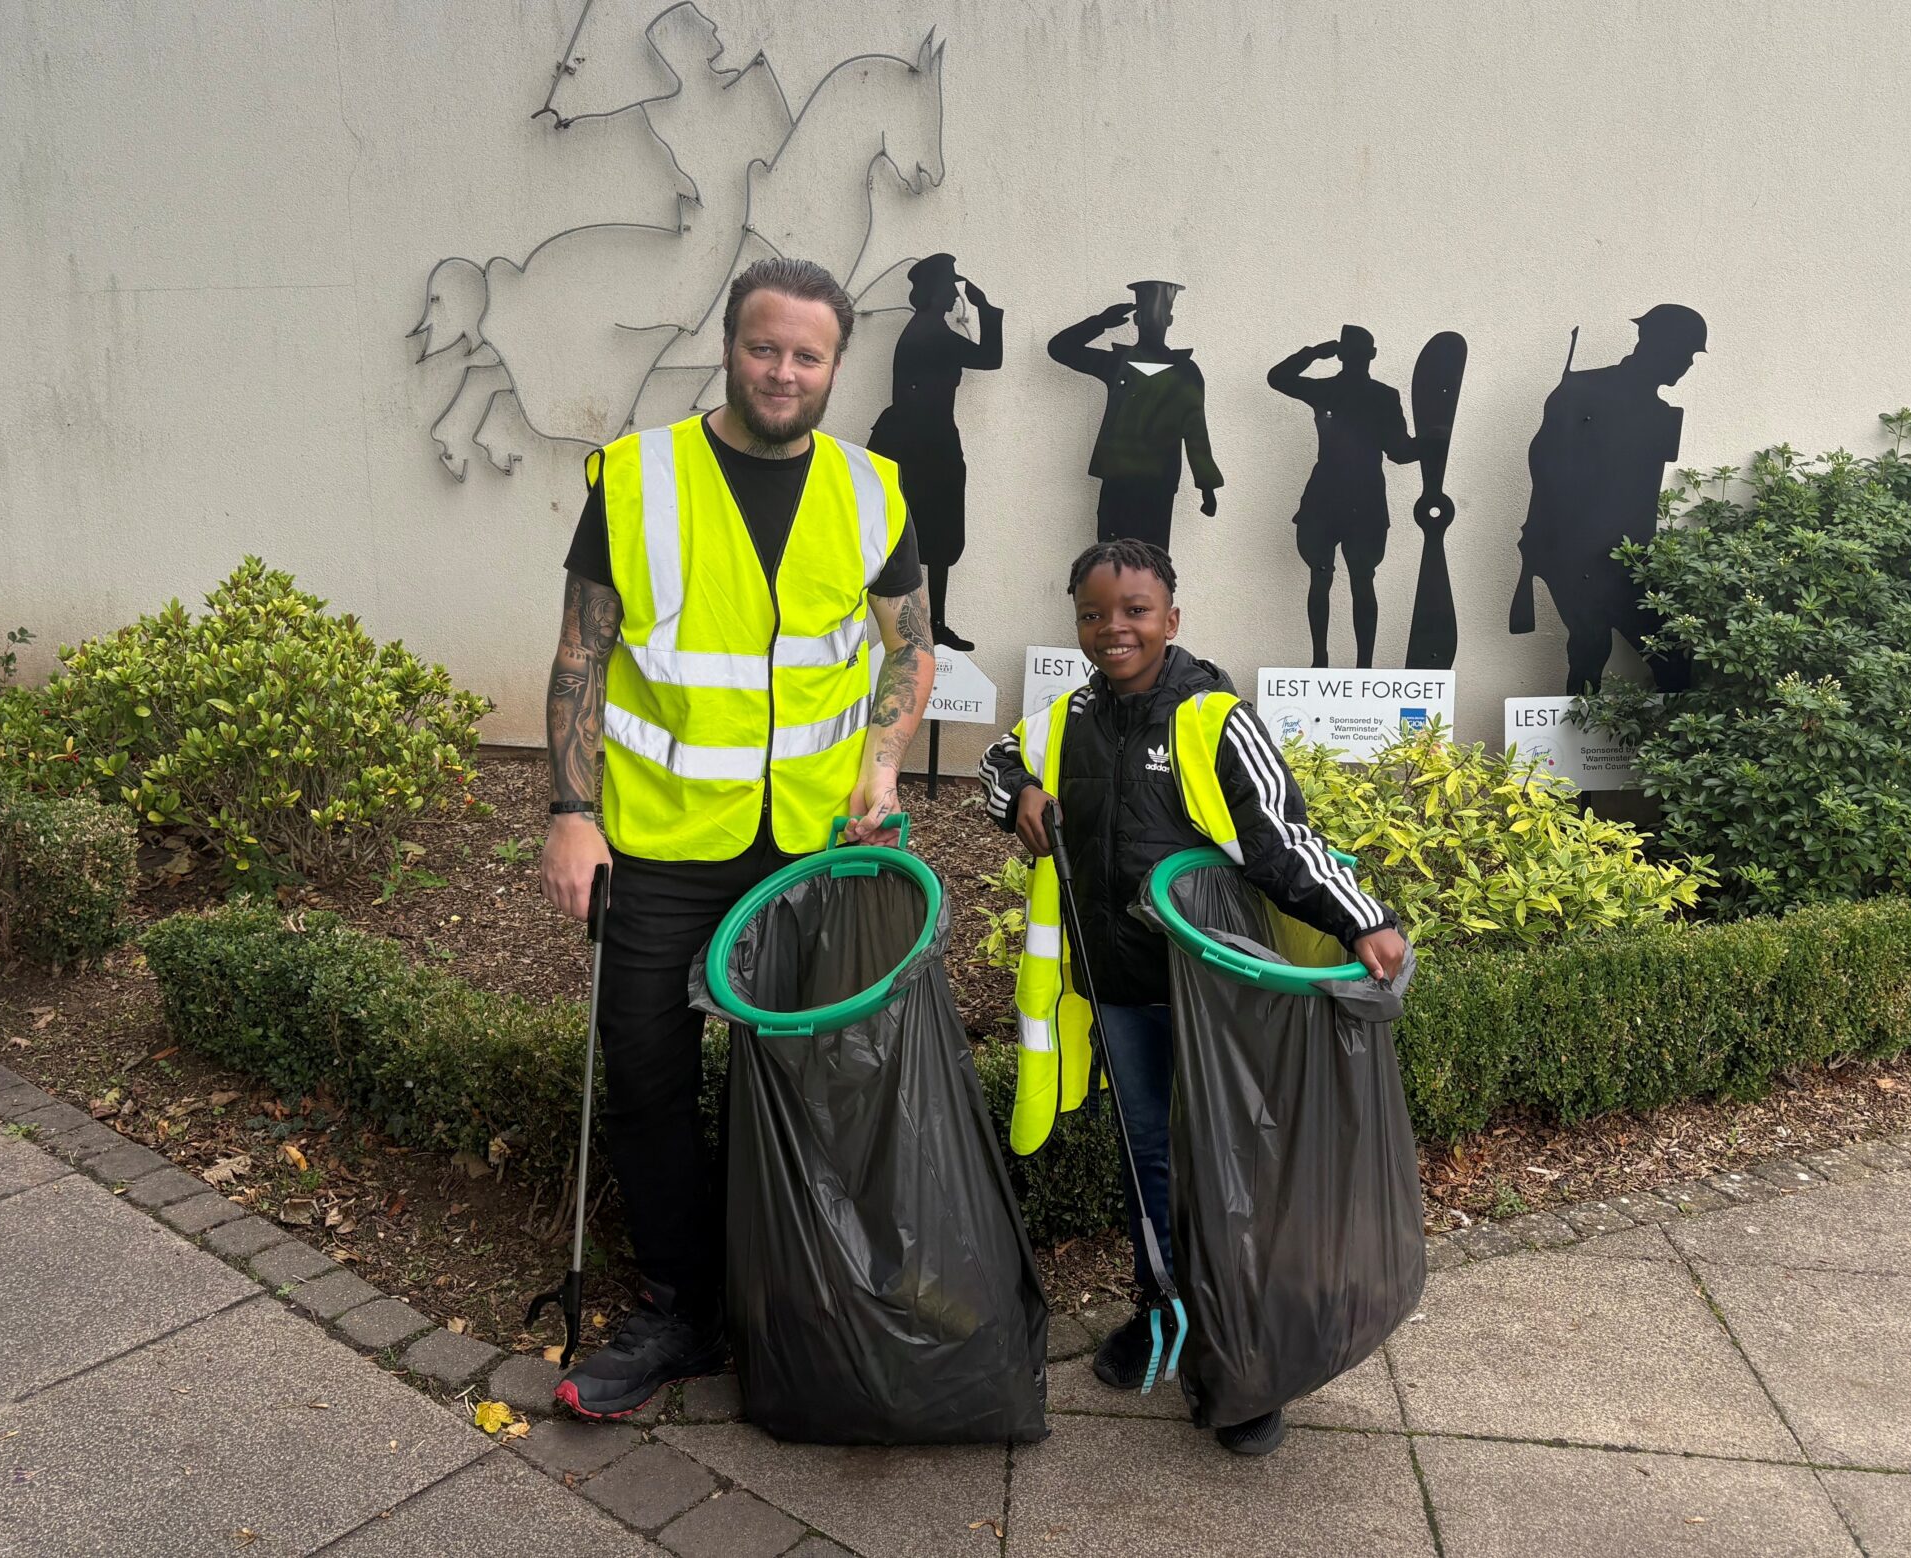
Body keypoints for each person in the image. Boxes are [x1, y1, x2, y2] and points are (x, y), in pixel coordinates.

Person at [539, 256, 937, 1420]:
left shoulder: (874, 489)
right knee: (651, 1076)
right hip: (661, 842)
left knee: (811, 1079)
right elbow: (581, 652)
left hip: (811, 845)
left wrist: (878, 760)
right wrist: (571, 813)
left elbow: (906, 646)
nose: (784, 370)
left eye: (807, 354)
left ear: (834, 364)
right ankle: (679, 1309)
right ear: (730, 344)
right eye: (765, 347)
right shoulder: (637, 475)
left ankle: (797, 1297)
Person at [977, 539, 1408, 1458]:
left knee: (1230, 1161)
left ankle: (1246, 1350)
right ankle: (1167, 1311)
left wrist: (1362, 920)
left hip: (1213, 997)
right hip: (1120, 994)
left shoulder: (1214, 721)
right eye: (1094, 613)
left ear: (1172, 618)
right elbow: (997, 759)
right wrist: (1015, 792)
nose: (1113, 629)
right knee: (1152, 1160)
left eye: (1134, 610)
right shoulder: (1064, 722)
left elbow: (1284, 839)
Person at [1508, 305, 1706, 694]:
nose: (1687, 365)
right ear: (1659, 345)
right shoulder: (1583, 390)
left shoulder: (1659, 413)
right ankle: (1574, 749)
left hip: (1630, 557)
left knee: (1670, 659)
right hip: (1576, 553)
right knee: (1589, 647)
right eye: (1685, 353)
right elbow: (1544, 465)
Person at [868, 252, 1001, 652]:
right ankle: (922, 623)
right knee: (926, 535)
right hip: (924, 444)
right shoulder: (930, 332)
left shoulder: (927, 329)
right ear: (933, 291)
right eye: (948, 286)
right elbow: (990, 358)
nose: (952, 293)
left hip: (925, 440)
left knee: (930, 536)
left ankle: (931, 622)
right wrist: (986, 310)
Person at [1267, 326, 1417, 668]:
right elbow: (1400, 451)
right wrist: (1431, 442)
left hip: (1332, 495)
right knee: (1354, 579)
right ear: (1372, 354)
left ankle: (1329, 660)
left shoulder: (1328, 390)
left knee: (1326, 578)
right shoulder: (1381, 395)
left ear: (1340, 353)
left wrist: (1313, 352)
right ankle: (1353, 663)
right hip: (1354, 498)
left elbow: (1279, 377)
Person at [1047, 282, 1223, 553]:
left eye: (1159, 315)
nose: (1153, 322)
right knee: (1110, 557)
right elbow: (1060, 348)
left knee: (1150, 562)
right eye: (1148, 315)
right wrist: (1100, 322)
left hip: (1158, 485)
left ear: (1170, 320)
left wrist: (1207, 484)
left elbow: (1195, 428)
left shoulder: (1185, 371)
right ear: (1137, 319)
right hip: (1119, 480)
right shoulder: (1118, 363)